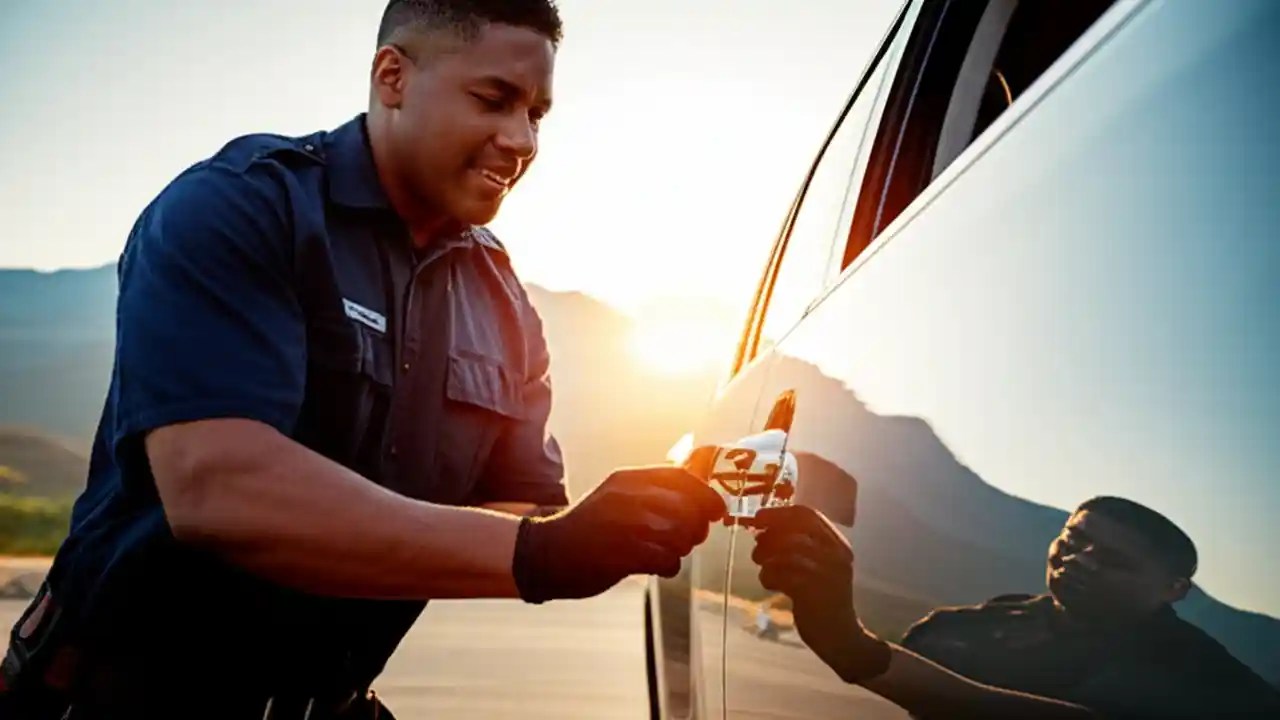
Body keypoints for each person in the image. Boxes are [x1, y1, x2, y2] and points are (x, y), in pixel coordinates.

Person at [0, 1, 726, 718]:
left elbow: (519, 506)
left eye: (537, 113)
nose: (520, 139)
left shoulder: (502, 297)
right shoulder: (242, 206)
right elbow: (217, 488)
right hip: (114, 700)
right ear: (391, 76)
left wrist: (649, 513)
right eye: (493, 100)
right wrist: (539, 554)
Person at [751, 498, 1280, 719]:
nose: (1081, 562)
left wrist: (852, 645)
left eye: (1114, 560)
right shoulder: (967, 627)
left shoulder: (1215, 683)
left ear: (1175, 589)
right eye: (1073, 541)